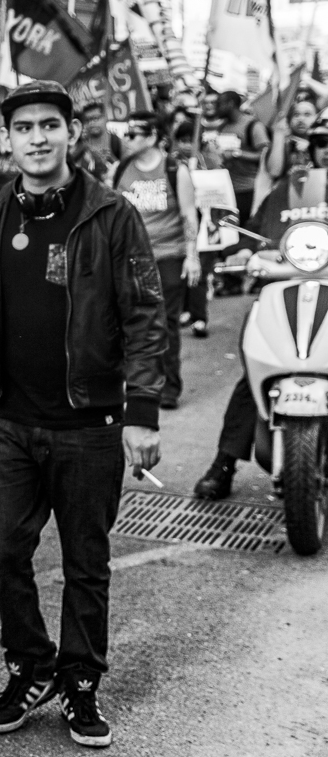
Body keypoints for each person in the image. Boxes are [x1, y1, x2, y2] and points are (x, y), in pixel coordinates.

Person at [0, 82, 165, 749]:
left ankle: (80, 681)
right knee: (4, 549)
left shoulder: (112, 214)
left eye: (49, 125)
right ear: (7, 138)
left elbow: (145, 313)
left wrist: (142, 410)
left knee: (85, 562)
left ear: (71, 133)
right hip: (7, 421)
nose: (37, 137)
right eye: (24, 127)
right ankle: (30, 665)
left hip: (89, 424)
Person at [194, 121, 328, 500]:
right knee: (258, 364)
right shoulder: (291, 189)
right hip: (284, 289)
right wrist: (242, 250)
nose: (327, 150)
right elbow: (257, 230)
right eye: (321, 142)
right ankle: (224, 463)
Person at [114, 112, 202, 411]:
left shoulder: (176, 170)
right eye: (126, 134)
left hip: (168, 256)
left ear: (153, 136)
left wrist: (192, 256)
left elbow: (189, 215)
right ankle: (136, 383)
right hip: (129, 258)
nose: (127, 139)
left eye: (133, 134)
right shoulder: (121, 169)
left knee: (165, 324)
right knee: (129, 323)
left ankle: (168, 388)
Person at [203, 89, 268, 217]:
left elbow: (265, 155)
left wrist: (236, 154)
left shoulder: (253, 126)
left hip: (250, 189)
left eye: (219, 104)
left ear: (231, 103)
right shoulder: (222, 127)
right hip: (227, 190)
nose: (216, 108)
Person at [263, 96, 320, 182]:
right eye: (296, 115)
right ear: (289, 120)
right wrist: (278, 135)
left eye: (307, 114)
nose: (301, 119)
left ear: (317, 118)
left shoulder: (322, 143)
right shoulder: (283, 144)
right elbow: (274, 172)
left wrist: (310, 148)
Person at [73, 102, 122, 177]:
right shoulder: (79, 145)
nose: (92, 123)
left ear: (105, 118)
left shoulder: (116, 141)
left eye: (96, 118)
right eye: (88, 120)